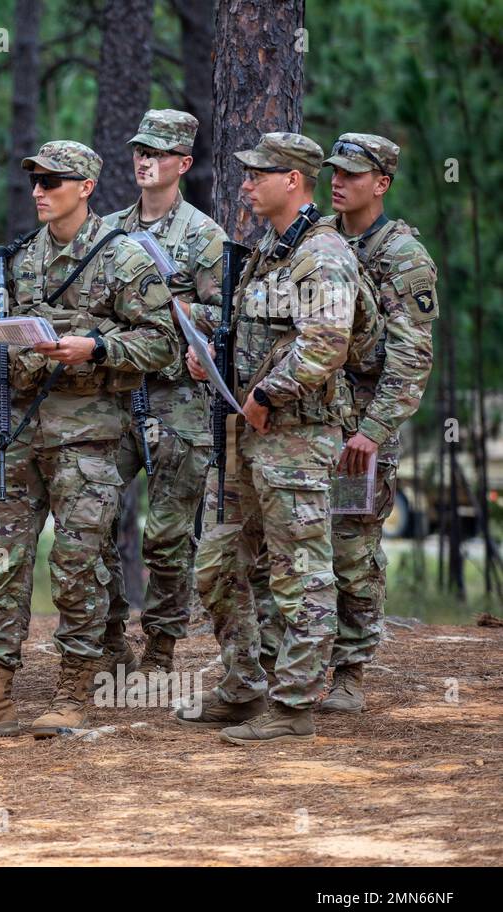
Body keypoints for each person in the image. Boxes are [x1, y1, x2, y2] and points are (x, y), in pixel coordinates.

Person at [0, 140, 178, 742]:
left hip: (88, 438)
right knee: (0, 564)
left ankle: (74, 689)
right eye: (35, 180)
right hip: (20, 433)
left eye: (54, 181)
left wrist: (99, 347)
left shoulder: (124, 259)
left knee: (77, 563)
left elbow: (165, 342)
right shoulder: (20, 260)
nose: (40, 190)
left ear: (86, 187)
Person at [176, 133, 358, 744]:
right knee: (217, 563)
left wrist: (263, 395)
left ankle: (296, 703)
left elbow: (325, 345)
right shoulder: (265, 253)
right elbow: (247, 330)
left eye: (260, 174)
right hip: (242, 434)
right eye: (246, 174)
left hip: (295, 438)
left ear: (295, 181)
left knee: (299, 568)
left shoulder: (321, 253)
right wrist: (207, 356)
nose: (247, 184)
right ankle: (243, 687)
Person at [100, 110, 227, 675]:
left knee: (169, 531)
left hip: (179, 399)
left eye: (157, 151)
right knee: (91, 514)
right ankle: (106, 636)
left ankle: (161, 645)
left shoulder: (205, 235)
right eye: (138, 150)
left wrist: (165, 311)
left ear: (184, 163)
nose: (144, 159)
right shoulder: (107, 231)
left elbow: (224, 316)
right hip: (117, 393)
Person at [317, 133, 436, 712]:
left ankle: (350, 670)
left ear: (381, 183)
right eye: (334, 171)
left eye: (353, 174)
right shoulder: (319, 241)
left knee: (351, 545)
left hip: (358, 433)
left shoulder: (402, 256)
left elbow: (412, 356)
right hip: (309, 424)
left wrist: (372, 431)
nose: (338, 181)